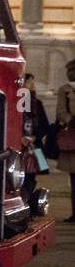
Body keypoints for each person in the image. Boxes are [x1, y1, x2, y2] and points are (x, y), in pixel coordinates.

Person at [20, 73, 51, 200]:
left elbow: (45, 125)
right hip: (21, 145)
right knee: (21, 175)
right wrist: (21, 137)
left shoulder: (37, 103)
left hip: (35, 145)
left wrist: (34, 137)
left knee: (33, 176)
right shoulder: (18, 102)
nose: (32, 85)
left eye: (33, 82)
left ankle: (28, 201)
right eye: (28, 82)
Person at [57, 60, 75, 223]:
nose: (70, 74)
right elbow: (61, 111)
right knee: (74, 179)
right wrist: (71, 120)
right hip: (73, 138)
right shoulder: (65, 90)